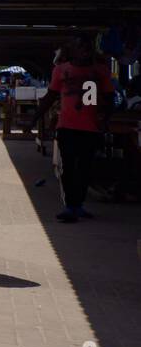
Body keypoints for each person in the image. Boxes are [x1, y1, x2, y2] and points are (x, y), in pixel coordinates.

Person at [35, 32, 113, 223]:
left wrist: (104, 119)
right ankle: (71, 206)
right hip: (67, 127)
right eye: (81, 47)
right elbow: (51, 96)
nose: (85, 51)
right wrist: (35, 118)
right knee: (68, 168)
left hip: (90, 129)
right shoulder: (61, 70)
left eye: (88, 47)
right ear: (73, 51)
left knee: (85, 169)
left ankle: (78, 205)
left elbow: (103, 99)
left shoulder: (99, 71)